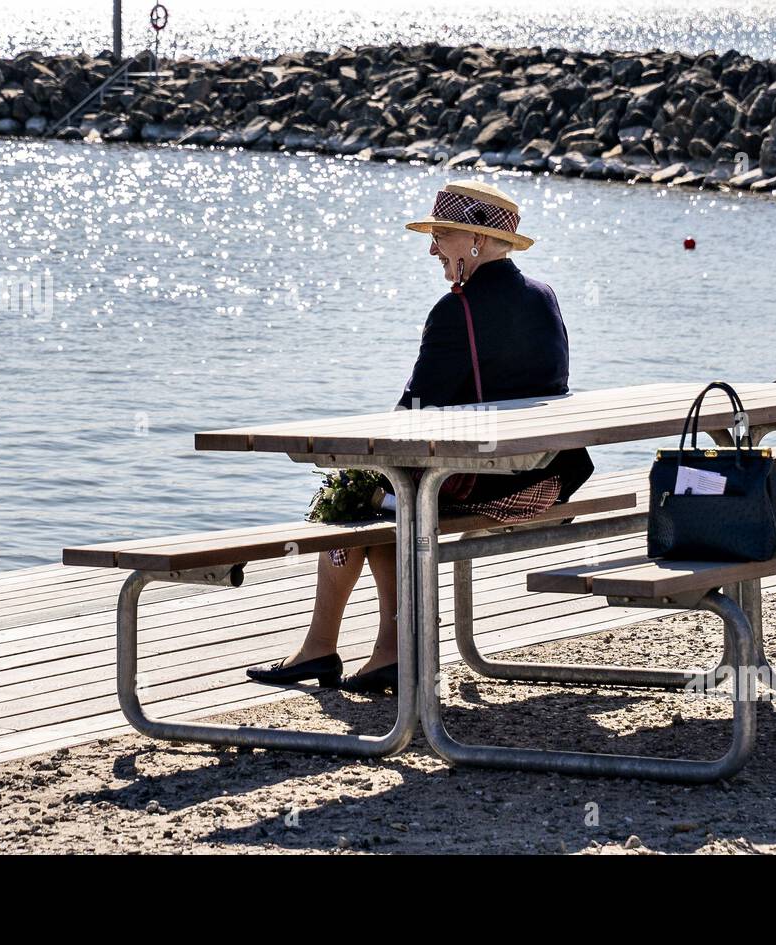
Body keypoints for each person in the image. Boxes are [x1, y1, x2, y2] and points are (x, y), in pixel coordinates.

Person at [246, 180, 595, 695]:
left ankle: (330, 649)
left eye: (440, 236)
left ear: (475, 241)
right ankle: (378, 653)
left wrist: (355, 454)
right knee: (390, 494)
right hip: (547, 477)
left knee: (357, 501)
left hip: (489, 486)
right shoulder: (544, 296)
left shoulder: (458, 310)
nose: (432, 249)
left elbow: (412, 416)